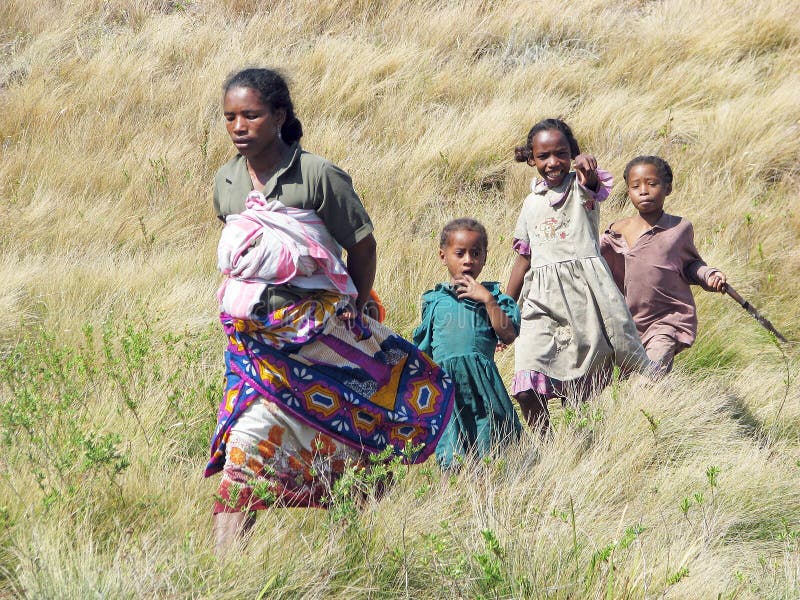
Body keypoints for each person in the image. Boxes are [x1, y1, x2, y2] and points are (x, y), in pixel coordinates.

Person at [206, 68, 454, 554]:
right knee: (245, 447)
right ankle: (224, 574)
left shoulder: (318, 175)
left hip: (323, 337)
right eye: (230, 117)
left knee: (350, 443)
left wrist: (359, 303)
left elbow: (361, 244)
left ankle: (357, 554)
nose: (238, 126)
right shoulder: (227, 180)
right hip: (257, 345)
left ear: (279, 116)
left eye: (251, 115)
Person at [505, 118, 652, 435]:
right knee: (526, 386)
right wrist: (504, 308)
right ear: (532, 159)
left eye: (561, 153)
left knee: (579, 396)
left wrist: (588, 172)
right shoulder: (530, 204)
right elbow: (524, 259)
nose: (553, 162)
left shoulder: (581, 188)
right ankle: (547, 448)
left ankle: (577, 454)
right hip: (539, 302)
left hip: (585, 298)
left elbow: (594, 186)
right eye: (544, 156)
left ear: (572, 154)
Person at [600, 155, 727, 373]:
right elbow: (592, 261)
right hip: (626, 322)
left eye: (652, 184)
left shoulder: (679, 228)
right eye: (635, 186)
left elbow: (690, 265)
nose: (643, 191)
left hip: (665, 321)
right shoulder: (617, 230)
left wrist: (709, 275)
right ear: (628, 191)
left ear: (667, 188)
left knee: (652, 375)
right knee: (624, 380)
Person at [413, 219, 522, 469]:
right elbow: (424, 349)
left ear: (485, 257)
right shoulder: (434, 301)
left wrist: (487, 301)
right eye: (460, 253)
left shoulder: (495, 297)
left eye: (476, 253)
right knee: (450, 453)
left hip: (483, 387)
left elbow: (508, 335)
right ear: (443, 256)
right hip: (446, 388)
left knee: (490, 449)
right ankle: (450, 504)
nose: (468, 260)